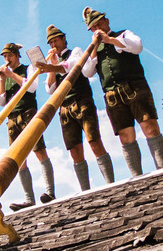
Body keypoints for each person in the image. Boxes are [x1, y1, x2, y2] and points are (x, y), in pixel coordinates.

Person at [82, 8, 163, 176]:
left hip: (135, 86)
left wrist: (110, 40)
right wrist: (95, 47)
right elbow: (87, 72)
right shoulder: (93, 48)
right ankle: (136, 177)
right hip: (112, 95)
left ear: (107, 21)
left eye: (99, 24)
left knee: (149, 126)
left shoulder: (123, 34)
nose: (97, 29)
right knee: (125, 136)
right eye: (93, 27)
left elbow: (137, 46)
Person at [35, 25, 115, 190]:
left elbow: (73, 66)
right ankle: (85, 190)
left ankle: (111, 183)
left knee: (94, 141)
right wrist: (52, 67)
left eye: (56, 40)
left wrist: (53, 67)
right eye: (50, 43)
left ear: (64, 39)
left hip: (82, 100)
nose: (53, 45)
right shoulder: (54, 62)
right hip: (64, 108)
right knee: (74, 150)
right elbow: (50, 89)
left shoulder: (76, 51)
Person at [0, 42, 55, 210]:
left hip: (28, 113)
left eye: (10, 55)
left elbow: (31, 87)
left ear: (17, 56)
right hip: (12, 118)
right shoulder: (6, 75)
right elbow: (0, 102)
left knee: (39, 151)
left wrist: (11, 74)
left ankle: (50, 192)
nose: (7, 59)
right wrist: (2, 79)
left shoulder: (28, 68)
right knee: (19, 159)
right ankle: (29, 199)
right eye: (5, 56)